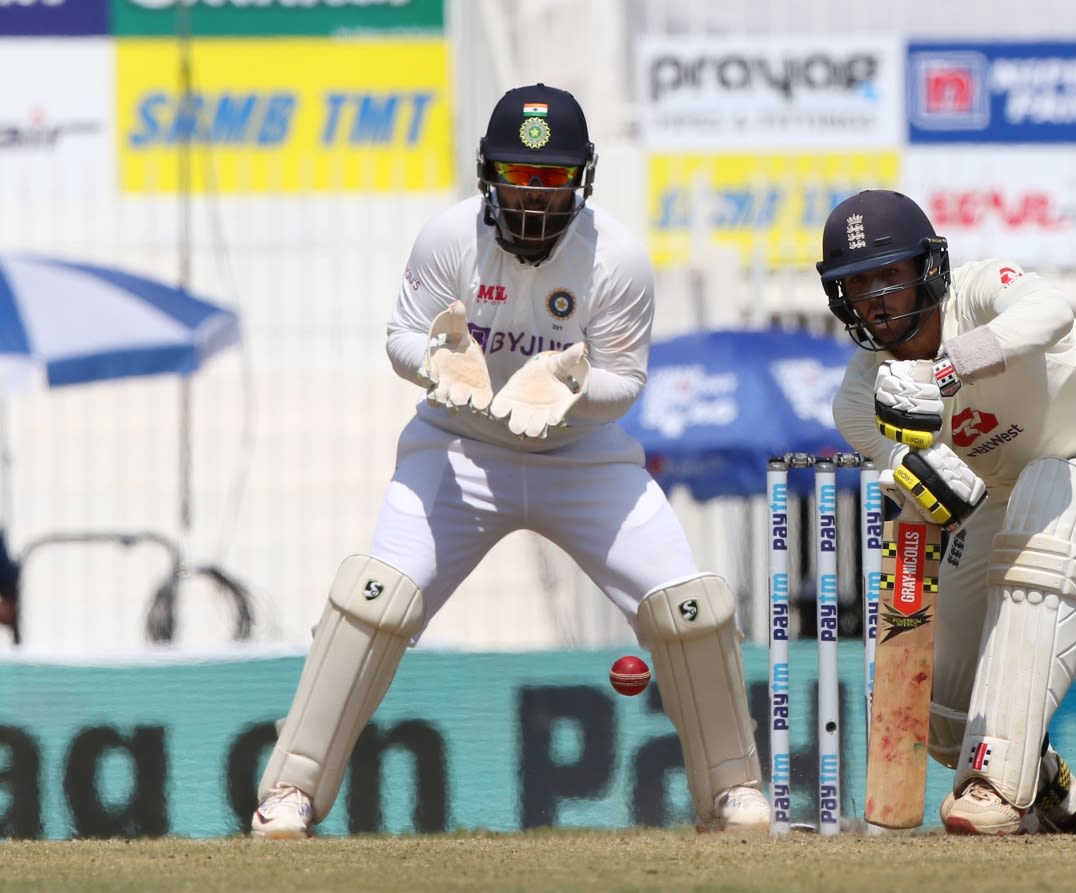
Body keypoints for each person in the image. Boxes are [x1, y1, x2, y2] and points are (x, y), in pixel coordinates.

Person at [250, 84, 770, 839]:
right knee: (374, 597)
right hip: (461, 447)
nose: (534, 194)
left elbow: (626, 383)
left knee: (687, 605)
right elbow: (399, 334)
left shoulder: (616, 257)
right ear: (488, 172)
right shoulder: (449, 237)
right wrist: (438, 363)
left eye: (552, 178)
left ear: (582, 179)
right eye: (520, 175)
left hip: (583, 456)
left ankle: (731, 791)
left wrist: (571, 390)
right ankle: (290, 792)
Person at [817, 189, 1076, 836]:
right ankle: (1051, 786)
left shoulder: (979, 291)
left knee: (1045, 484)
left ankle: (998, 785)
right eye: (856, 283)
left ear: (928, 267)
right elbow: (944, 497)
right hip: (1002, 502)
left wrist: (946, 372)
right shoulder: (859, 398)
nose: (874, 296)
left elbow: (1051, 313)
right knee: (944, 717)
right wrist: (917, 470)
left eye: (887, 274)